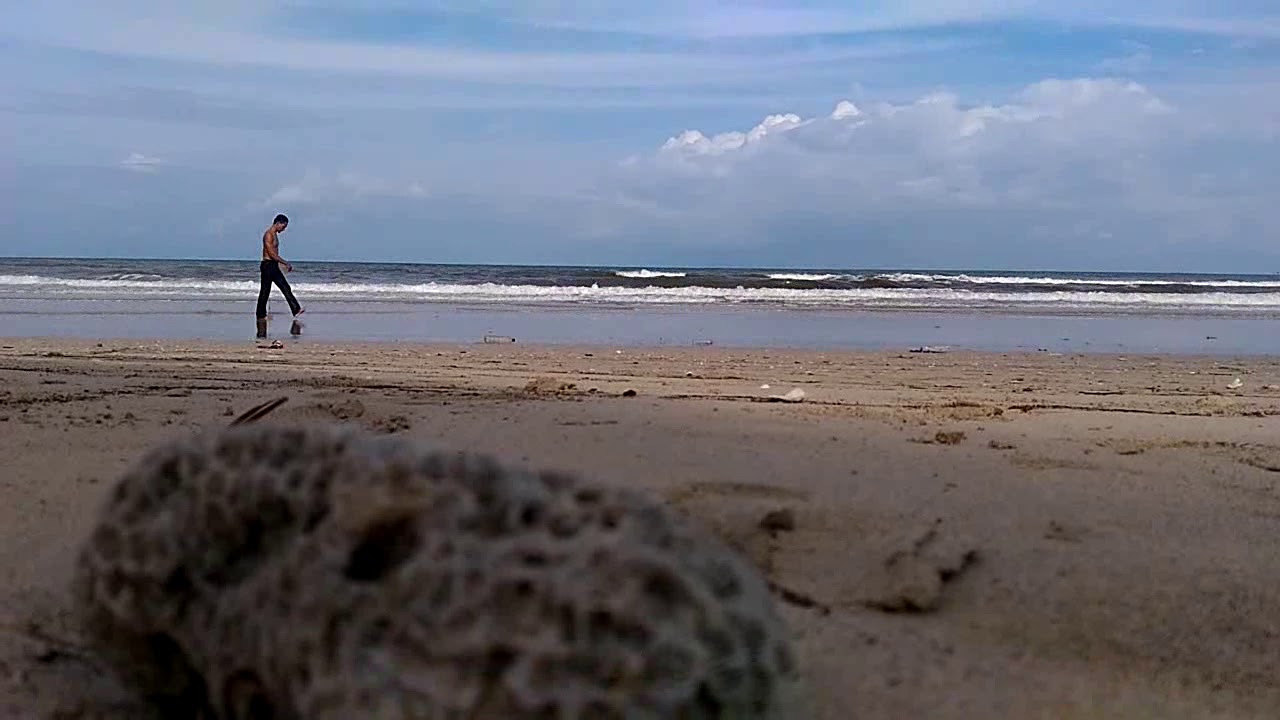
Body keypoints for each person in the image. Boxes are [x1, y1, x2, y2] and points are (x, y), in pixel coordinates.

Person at [256, 214, 304, 325]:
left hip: (273, 265)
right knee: (265, 291)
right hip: (267, 265)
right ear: (278, 223)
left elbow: (274, 254)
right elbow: (271, 253)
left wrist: (280, 264)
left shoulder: (274, 234)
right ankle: (261, 315)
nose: (284, 229)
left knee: (285, 287)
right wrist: (285, 262)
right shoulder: (268, 235)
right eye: (283, 226)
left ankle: (296, 309)